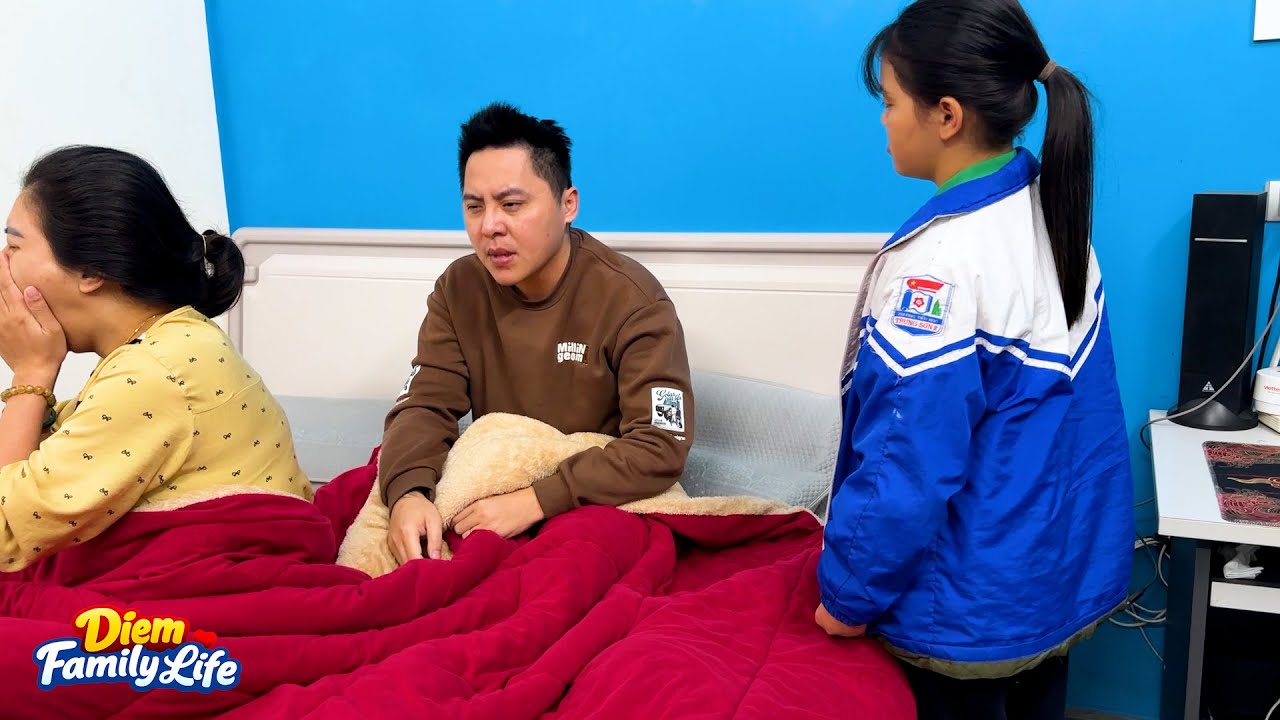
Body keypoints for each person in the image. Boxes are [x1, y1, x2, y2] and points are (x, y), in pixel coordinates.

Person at [813, 2, 1133, 718]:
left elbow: (905, 458)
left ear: (947, 116)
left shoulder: (941, 265)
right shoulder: (1052, 217)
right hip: (1047, 586)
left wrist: (848, 593)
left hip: (965, 616)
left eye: (890, 102)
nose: (884, 121)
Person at [381, 102, 695, 565]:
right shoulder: (459, 288)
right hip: (491, 498)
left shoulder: (634, 301)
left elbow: (660, 446)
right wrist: (408, 492)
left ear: (568, 204)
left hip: (592, 507)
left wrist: (535, 502)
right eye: (474, 206)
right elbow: (424, 404)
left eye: (511, 204)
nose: (490, 226)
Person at [0, 145, 311, 572]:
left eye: (14, 247)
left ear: (90, 271)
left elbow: (6, 536)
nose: (3, 265)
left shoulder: (155, 372)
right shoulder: (171, 342)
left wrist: (31, 372)